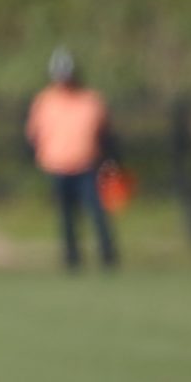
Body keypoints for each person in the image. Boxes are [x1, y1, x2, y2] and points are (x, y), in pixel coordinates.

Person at [27, 48, 119, 271]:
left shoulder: (90, 100)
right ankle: (71, 258)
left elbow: (106, 134)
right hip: (57, 167)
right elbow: (34, 133)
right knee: (66, 217)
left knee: (97, 212)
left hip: (88, 166)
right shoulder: (45, 101)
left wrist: (110, 161)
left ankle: (108, 256)